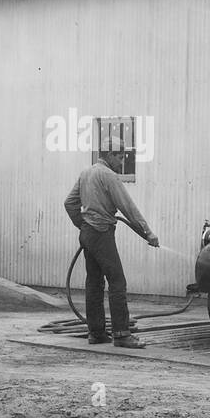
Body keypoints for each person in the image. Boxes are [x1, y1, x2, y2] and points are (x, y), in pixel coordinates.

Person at [64, 139, 159, 348]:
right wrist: (148, 233)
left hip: (88, 234)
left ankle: (96, 333)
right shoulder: (109, 176)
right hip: (101, 233)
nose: (121, 160)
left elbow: (69, 203)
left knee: (94, 282)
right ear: (108, 155)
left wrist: (82, 224)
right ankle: (122, 334)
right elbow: (128, 208)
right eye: (119, 156)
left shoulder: (86, 173)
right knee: (117, 281)